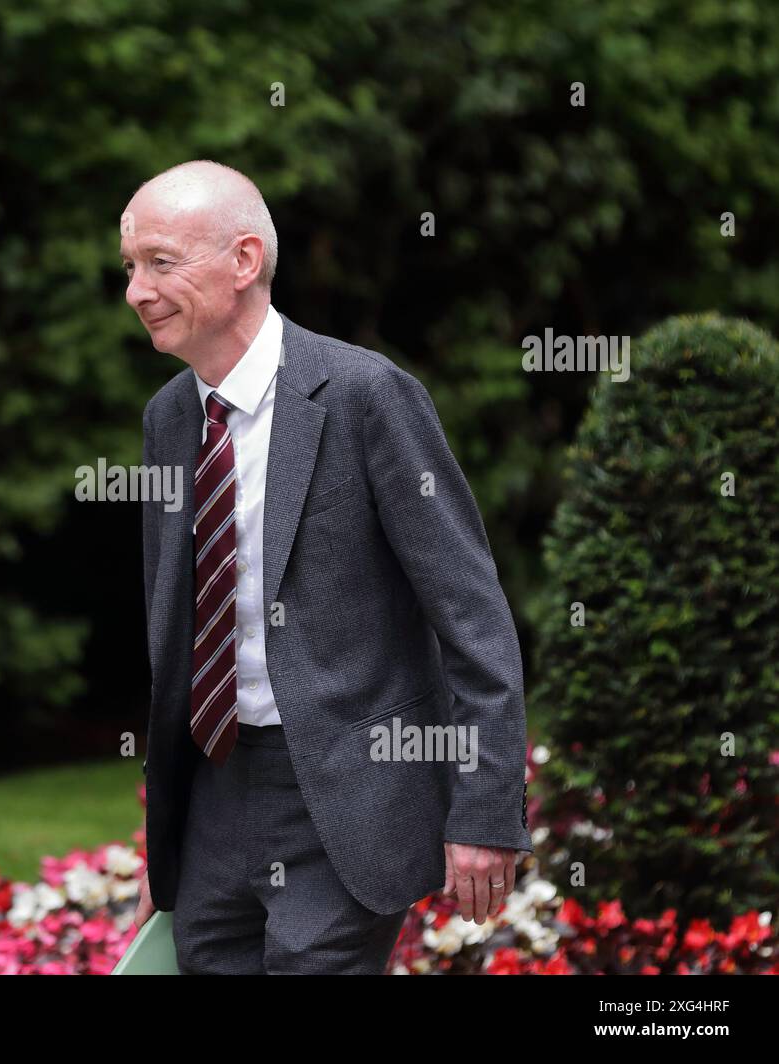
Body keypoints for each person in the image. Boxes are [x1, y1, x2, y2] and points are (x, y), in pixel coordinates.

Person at [124, 160, 532, 974]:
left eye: (161, 263)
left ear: (244, 262)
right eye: (131, 267)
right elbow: (177, 648)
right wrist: (161, 843)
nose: (137, 290)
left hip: (345, 799)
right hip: (213, 803)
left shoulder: (367, 396)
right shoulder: (169, 420)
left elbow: (474, 617)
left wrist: (486, 811)